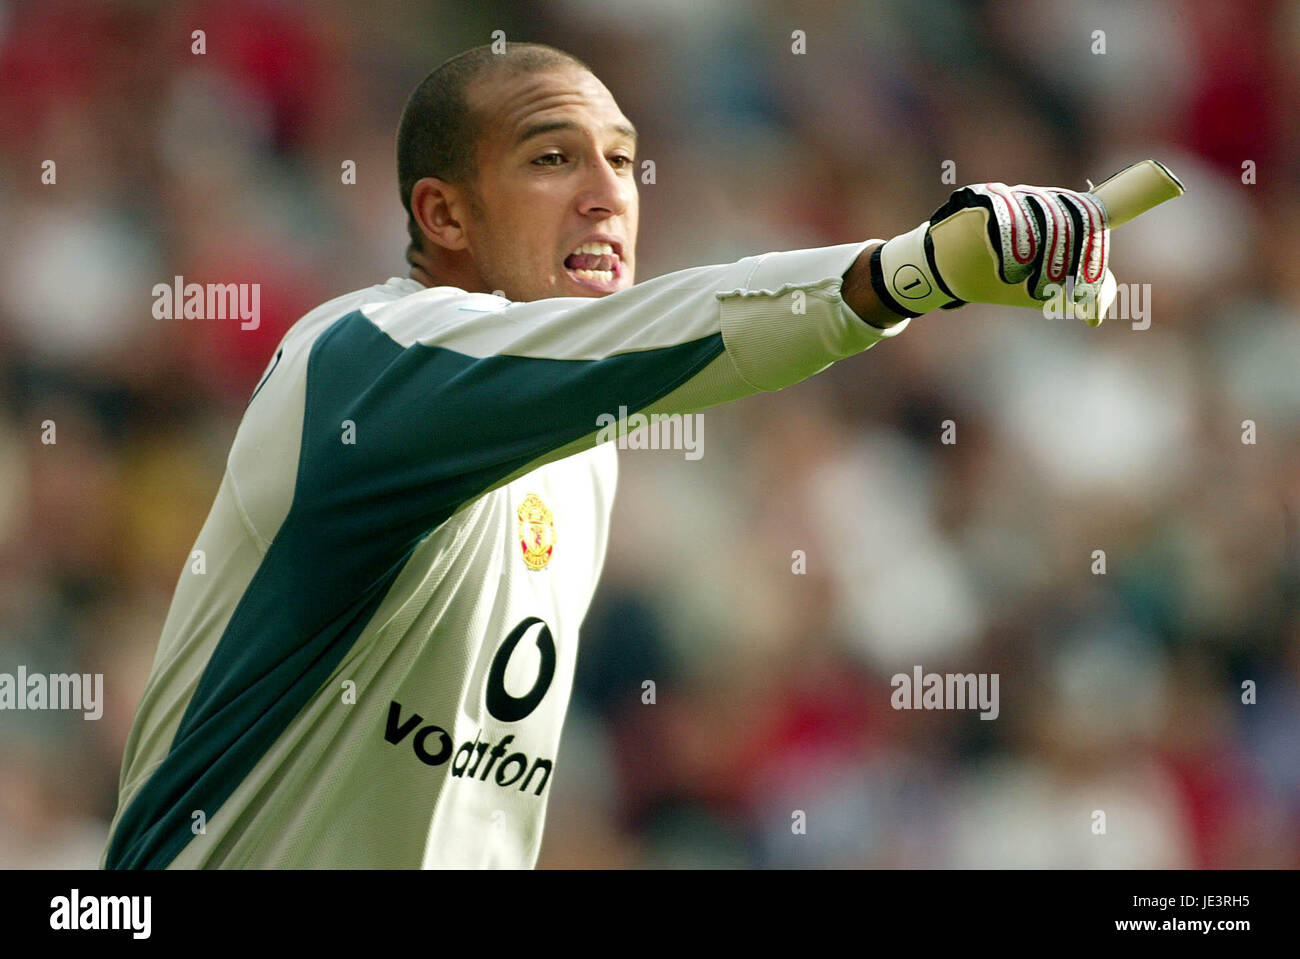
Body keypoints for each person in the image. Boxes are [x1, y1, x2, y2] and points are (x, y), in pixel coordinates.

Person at [102, 41, 1142, 868]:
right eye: (554, 156)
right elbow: (676, 329)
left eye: (621, 156)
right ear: (443, 212)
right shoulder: (366, 362)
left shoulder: (578, 451)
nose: (608, 192)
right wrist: (909, 271)